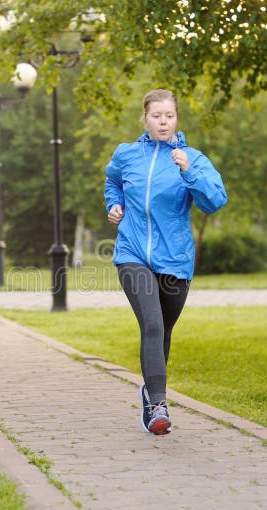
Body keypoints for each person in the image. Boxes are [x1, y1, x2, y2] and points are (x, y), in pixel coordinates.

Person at [105, 89, 227, 435]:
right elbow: (112, 181)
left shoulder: (191, 158)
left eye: (169, 116)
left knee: (163, 332)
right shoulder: (127, 154)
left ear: (176, 118)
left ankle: (149, 389)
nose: (163, 121)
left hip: (175, 260)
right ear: (145, 118)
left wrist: (189, 172)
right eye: (157, 115)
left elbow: (215, 201)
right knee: (153, 326)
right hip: (132, 254)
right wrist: (113, 204)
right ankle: (159, 405)